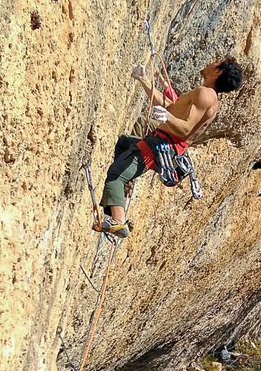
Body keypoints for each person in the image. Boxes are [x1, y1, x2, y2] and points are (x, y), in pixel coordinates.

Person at [94, 57, 243, 238]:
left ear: (218, 71)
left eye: (216, 62)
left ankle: (118, 222)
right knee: (124, 143)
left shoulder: (206, 94)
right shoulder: (207, 96)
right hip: (166, 148)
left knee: (116, 176)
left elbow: (186, 128)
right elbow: (169, 106)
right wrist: (144, 80)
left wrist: (167, 118)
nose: (210, 62)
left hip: (161, 147)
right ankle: (118, 199)